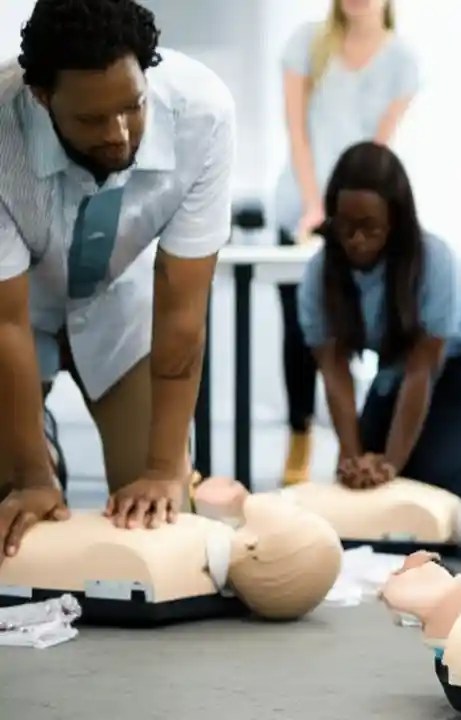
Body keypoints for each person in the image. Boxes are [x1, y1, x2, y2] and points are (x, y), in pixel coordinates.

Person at [0, 0, 235, 557]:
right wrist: (33, 477)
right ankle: (40, 447)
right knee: (14, 502)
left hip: (117, 304)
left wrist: (163, 470)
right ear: (41, 96)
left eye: (133, 106)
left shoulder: (203, 114)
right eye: (90, 119)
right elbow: (5, 323)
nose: (119, 134)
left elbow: (182, 312)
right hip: (19, 313)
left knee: (160, 513)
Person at [298, 142, 461, 498]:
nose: (357, 241)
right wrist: (352, 454)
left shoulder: (433, 259)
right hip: (400, 371)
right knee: (355, 480)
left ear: (395, 223)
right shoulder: (318, 274)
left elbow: (424, 368)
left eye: (370, 228)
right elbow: (334, 370)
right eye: (346, 227)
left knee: (416, 478)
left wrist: (392, 463)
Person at [274, 0, 419, 487]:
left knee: (362, 325)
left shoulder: (403, 61)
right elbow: (296, 130)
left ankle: (359, 443)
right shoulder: (306, 43)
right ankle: (299, 435)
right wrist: (316, 207)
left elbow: (378, 150)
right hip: (303, 204)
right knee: (302, 332)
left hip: (361, 209)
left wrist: (349, 212)